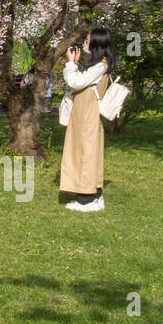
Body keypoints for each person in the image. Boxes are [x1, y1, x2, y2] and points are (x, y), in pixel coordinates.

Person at [60, 26, 118, 212]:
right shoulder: (100, 65)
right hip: (86, 113)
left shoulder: (100, 66)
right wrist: (76, 65)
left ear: (96, 43)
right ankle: (94, 195)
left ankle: (86, 199)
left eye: (88, 39)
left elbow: (75, 82)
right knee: (88, 150)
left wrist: (70, 64)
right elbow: (82, 80)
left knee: (84, 151)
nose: (85, 42)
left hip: (87, 114)